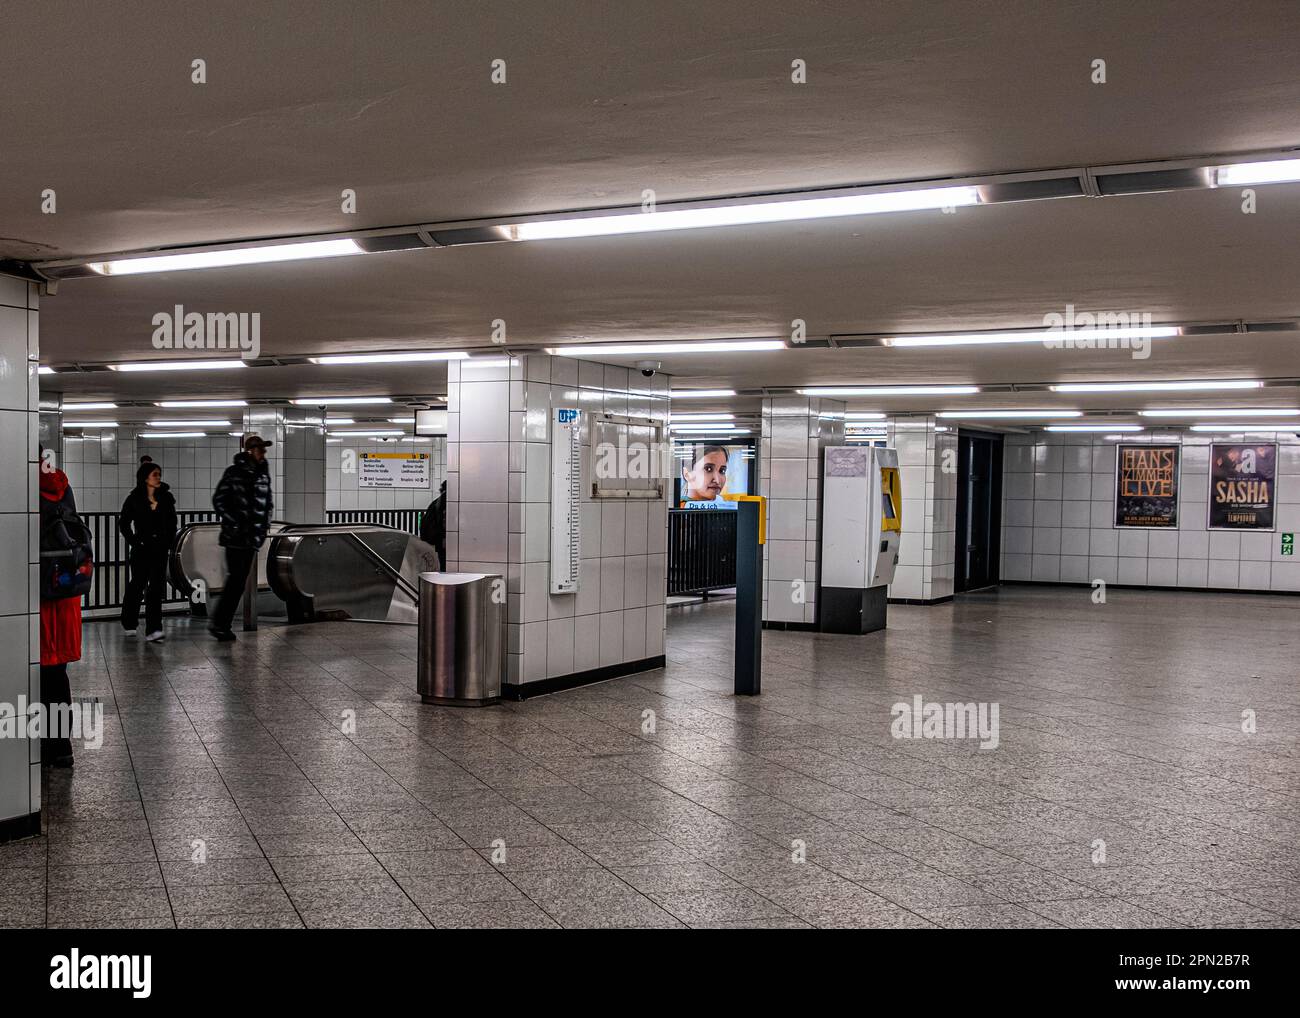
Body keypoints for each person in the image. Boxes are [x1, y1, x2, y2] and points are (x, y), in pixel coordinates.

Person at [39, 458, 83, 768]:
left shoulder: (24, 488)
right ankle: (62, 746)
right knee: (58, 675)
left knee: (39, 677)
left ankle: (43, 747)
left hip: (39, 597)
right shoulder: (63, 487)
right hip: (66, 595)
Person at [209, 434, 273, 641]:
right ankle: (220, 624)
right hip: (235, 537)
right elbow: (219, 500)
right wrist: (234, 522)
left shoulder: (264, 474)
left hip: (253, 537)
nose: (263, 453)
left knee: (237, 582)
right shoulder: (233, 473)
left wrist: (263, 528)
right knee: (235, 581)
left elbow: (267, 504)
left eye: (264, 450)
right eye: (260, 450)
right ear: (250, 451)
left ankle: (221, 624)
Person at [118, 461, 177, 642]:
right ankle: (129, 622)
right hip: (141, 550)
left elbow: (172, 523)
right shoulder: (134, 498)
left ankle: (154, 628)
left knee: (156, 589)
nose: (158, 477)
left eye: (159, 474)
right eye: (154, 474)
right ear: (145, 478)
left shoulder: (166, 498)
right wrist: (135, 541)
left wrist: (167, 542)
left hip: (159, 549)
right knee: (137, 585)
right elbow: (124, 523)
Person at [420, 479, 447, 569]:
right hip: (443, 540)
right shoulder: (446, 500)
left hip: (438, 539)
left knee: (443, 564)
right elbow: (444, 521)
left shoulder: (437, 501)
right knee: (446, 565)